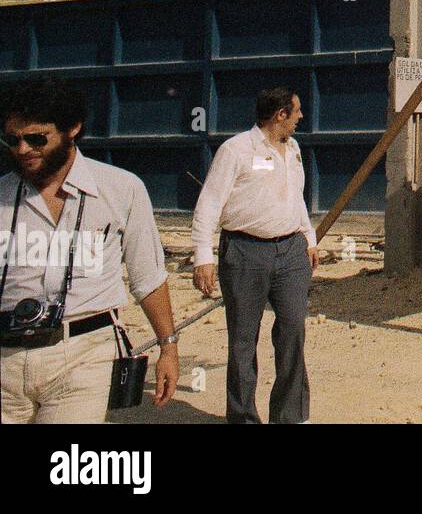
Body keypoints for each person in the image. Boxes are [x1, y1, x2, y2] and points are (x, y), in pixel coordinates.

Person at [1, 77, 179, 423]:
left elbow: (148, 277)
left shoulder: (121, 188)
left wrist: (168, 346)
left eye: (36, 138)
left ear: (72, 129)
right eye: (12, 139)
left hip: (83, 356)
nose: (22, 150)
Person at [192, 87, 318, 423]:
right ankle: (243, 417)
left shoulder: (293, 149)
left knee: (293, 329)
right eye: (297, 111)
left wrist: (309, 236)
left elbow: (297, 197)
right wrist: (203, 256)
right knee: (243, 342)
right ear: (280, 114)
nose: (301, 117)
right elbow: (209, 204)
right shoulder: (235, 151)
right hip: (245, 253)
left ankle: (290, 416)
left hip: (291, 252)